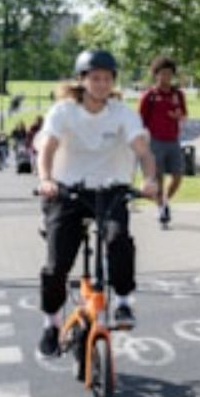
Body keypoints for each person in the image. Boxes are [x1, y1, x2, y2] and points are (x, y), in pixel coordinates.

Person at [35, 49, 159, 357]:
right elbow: (47, 148)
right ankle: (50, 324)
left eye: (107, 78)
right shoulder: (64, 111)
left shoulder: (122, 113)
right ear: (82, 80)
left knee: (118, 240)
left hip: (110, 191)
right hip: (66, 192)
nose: (101, 84)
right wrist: (46, 180)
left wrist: (150, 179)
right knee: (56, 266)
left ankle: (124, 302)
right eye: (95, 78)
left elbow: (143, 150)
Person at [138, 55, 188, 227]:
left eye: (169, 73)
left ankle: (165, 201)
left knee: (178, 175)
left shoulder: (178, 94)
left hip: (173, 140)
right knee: (157, 178)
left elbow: (184, 115)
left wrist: (178, 116)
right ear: (156, 74)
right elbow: (140, 121)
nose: (166, 77)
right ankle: (161, 210)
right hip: (155, 141)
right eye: (162, 73)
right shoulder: (149, 96)